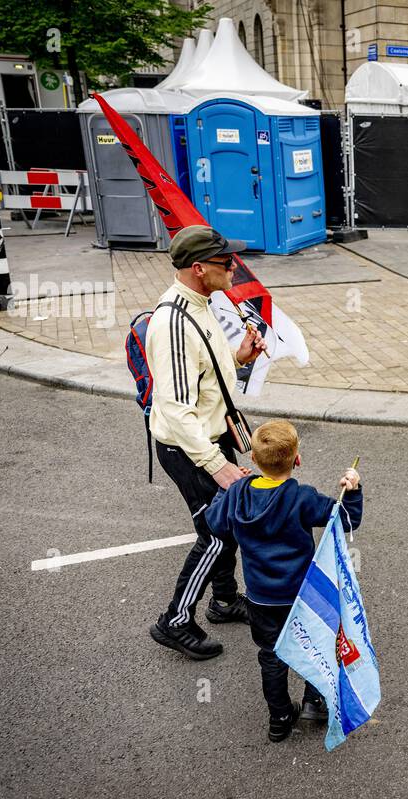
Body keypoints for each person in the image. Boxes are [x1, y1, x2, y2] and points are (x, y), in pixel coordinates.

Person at [146, 224, 267, 661]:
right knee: (214, 535)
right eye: (225, 261)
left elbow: (206, 377)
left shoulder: (202, 304)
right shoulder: (174, 322)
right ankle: (175, 621)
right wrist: (216, 465)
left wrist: (238, 360)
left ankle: (222, 600)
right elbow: (177, 409)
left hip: (212, 435)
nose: (234, 265)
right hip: (190, 448)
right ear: (199, 269)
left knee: (229, 523)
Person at [205, 420, 363, 742]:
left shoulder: (238, 494)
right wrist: (353, 490)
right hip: (301, 595)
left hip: (260, 597)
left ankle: (278, 718)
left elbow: (214, 523)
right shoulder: (301, 497)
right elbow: (345, 519)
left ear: (253, 460)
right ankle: (313, 701)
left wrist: (227, 491)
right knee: (312, 644)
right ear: (297, 459)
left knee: (271, 654)